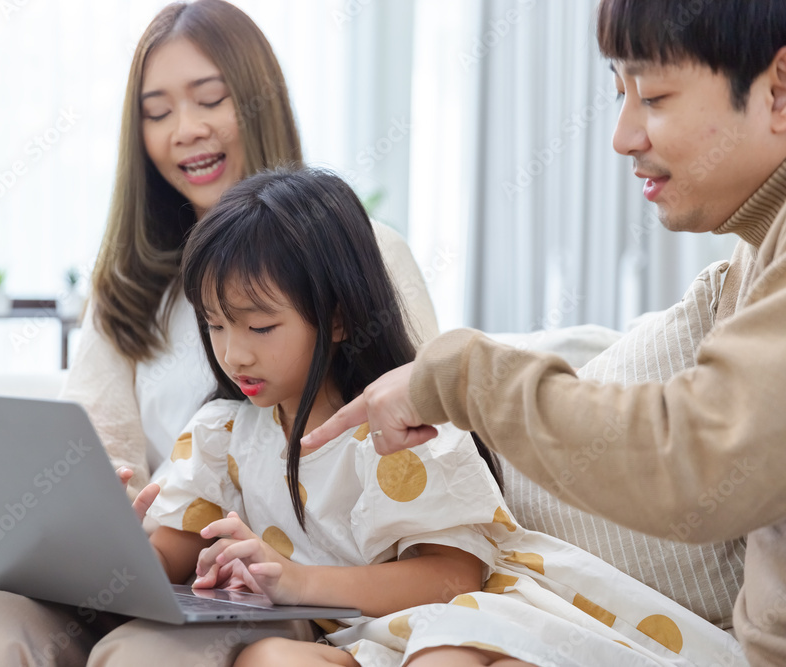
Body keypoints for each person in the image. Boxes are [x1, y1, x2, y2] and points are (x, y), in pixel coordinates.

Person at [0, 1, 438, 665]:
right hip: (137, 569)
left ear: (258, 103)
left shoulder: (366, 251)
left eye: (209, 99)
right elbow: (93, 460)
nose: (184, 130)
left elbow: (420, 427)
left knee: (147, 651)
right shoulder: (127, 288)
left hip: (261, 588)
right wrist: (7, 543)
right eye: (156, 113)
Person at [302, 1, 786, 665]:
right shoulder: (752, 255)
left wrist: (462, 376)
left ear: (778, 90)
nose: (623, 136)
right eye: (621, 95)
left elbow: (699, 453)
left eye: (653, 96)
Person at [158, 167, 741, 667]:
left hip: (466, 611)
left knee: (453, 651)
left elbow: (451, 579)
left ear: (336, 318)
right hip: (364, 638)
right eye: (214, 324)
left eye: (260, 326)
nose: (234, 352)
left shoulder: (402, 430)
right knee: (264, 657)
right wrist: (99, 531)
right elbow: (167, 556)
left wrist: (294, 581)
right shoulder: (221, 436)